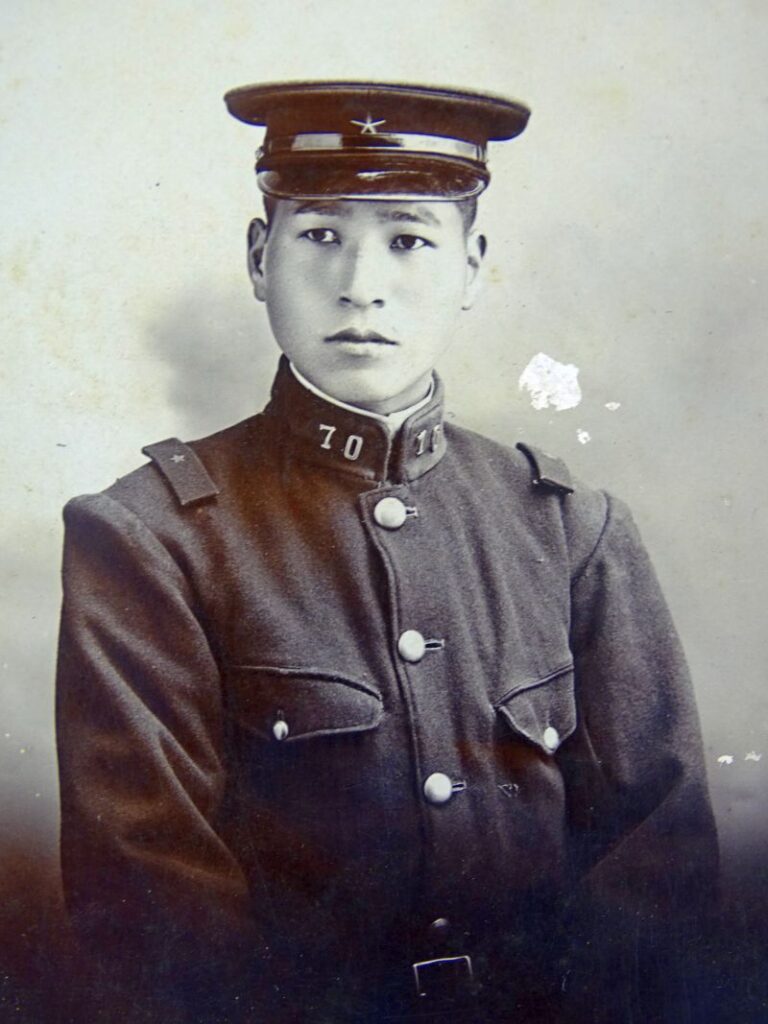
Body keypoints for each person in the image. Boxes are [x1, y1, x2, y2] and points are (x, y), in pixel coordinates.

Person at [56, 81, 718, 1023]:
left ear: (473, 266)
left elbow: (660, 872)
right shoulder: (150, 538)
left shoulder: (572, 529)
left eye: (409, 239)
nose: (360, 284)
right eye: (320, 235)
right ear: (259, 257)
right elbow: (157, 909)